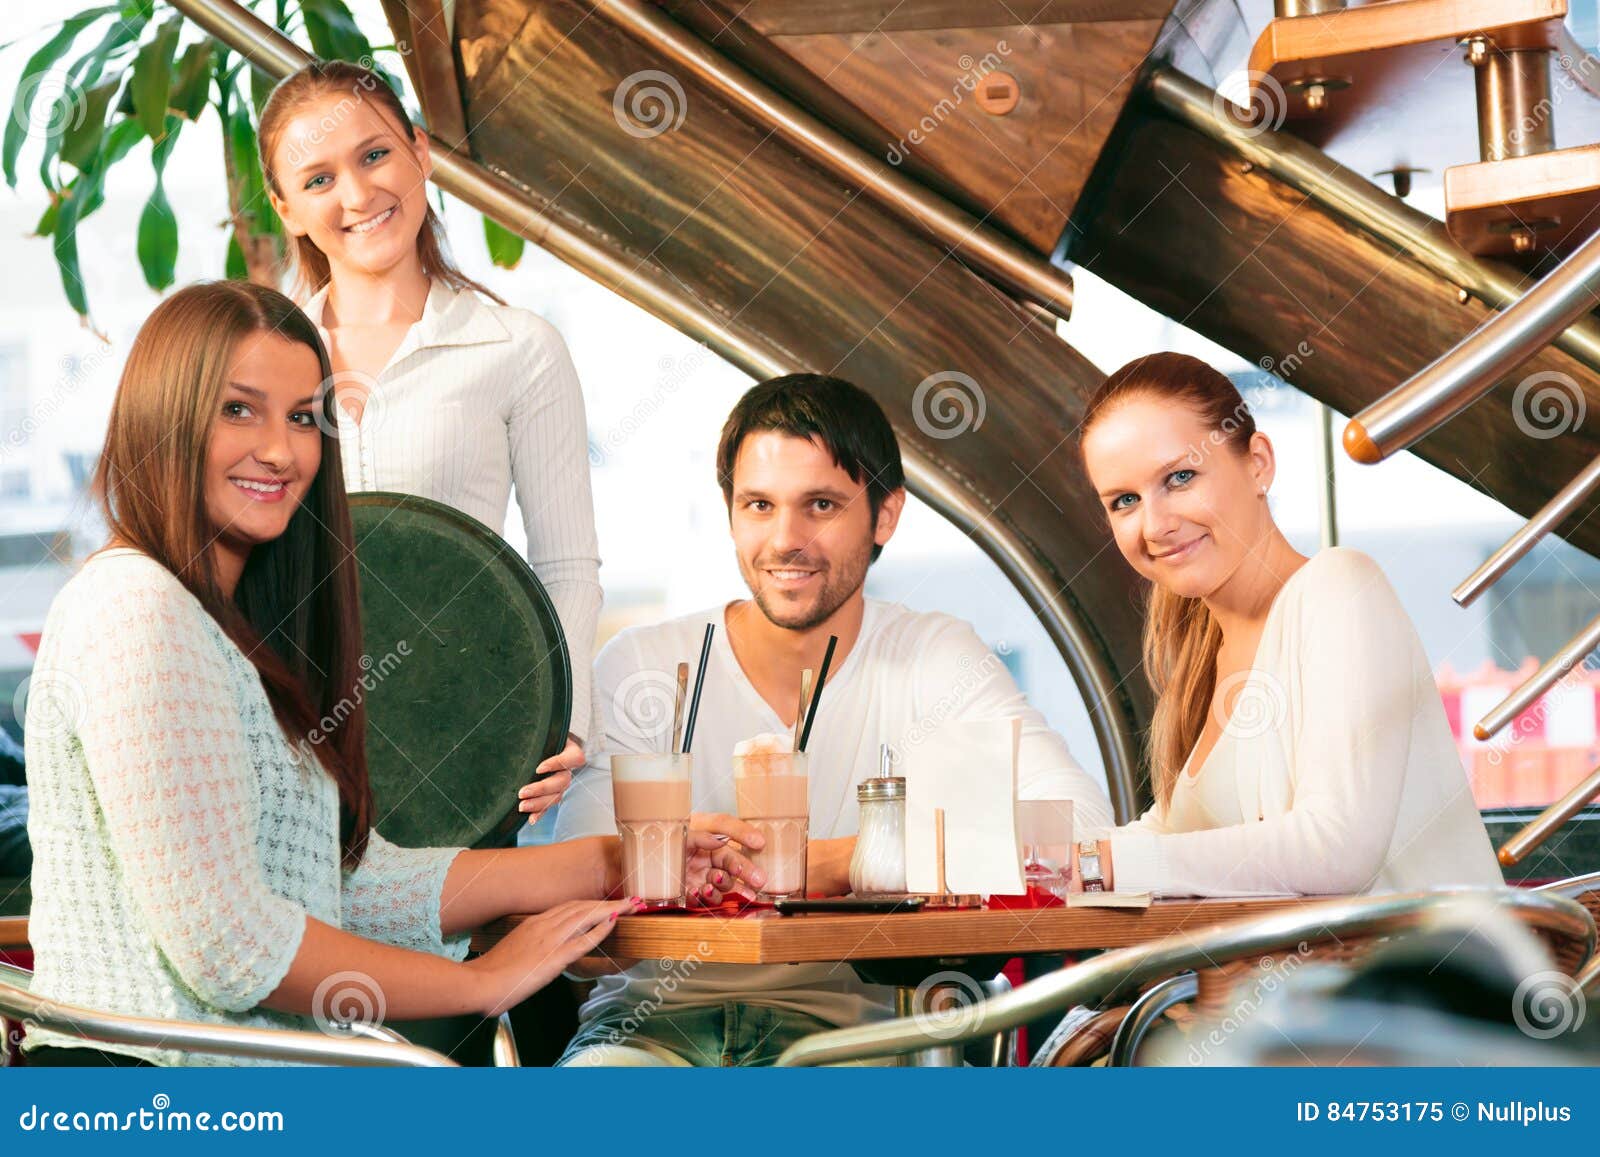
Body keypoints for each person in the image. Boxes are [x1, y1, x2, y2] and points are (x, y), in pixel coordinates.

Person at [20, 283, 755, 1066]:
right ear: (164, 420)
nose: (280, 449)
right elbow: (229, 946)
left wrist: (610, 859)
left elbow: (347, 885)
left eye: (303, 416)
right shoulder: (138, 610)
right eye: (240, 409)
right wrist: (484, 982)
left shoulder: (231, 629)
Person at [547, 373, 1115, 1066]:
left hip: (857, 1040)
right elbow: (577, 940)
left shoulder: (931, 656)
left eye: (821, 504)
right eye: (759, 504)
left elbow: (1082, 829)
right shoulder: (643, 665)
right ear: (730, 513)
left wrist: (848, 858)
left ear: (885, 515)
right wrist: (658, 868)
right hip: (649, 1033)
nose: (786, 539)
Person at [257, 61, 600, 821]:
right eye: (317, 180)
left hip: (471, 730)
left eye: (374, 154)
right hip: (295, 743)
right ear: (285, 208)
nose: (357, 194)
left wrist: (561, 722)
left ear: (421, 151)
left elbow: (567, 566)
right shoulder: (261, 363)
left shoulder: (518, 346)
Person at [1073, 352, 1502, 897]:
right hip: (1306, 982)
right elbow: (1170, 836)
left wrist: (1106, 863)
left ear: (1258, 464)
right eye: (1125, 501)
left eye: (1180, 477)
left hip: (1429, 979)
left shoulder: (1340, 588)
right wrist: (1057, 863)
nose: (1155, 525)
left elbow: (1336, 848)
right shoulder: (1207, 655)